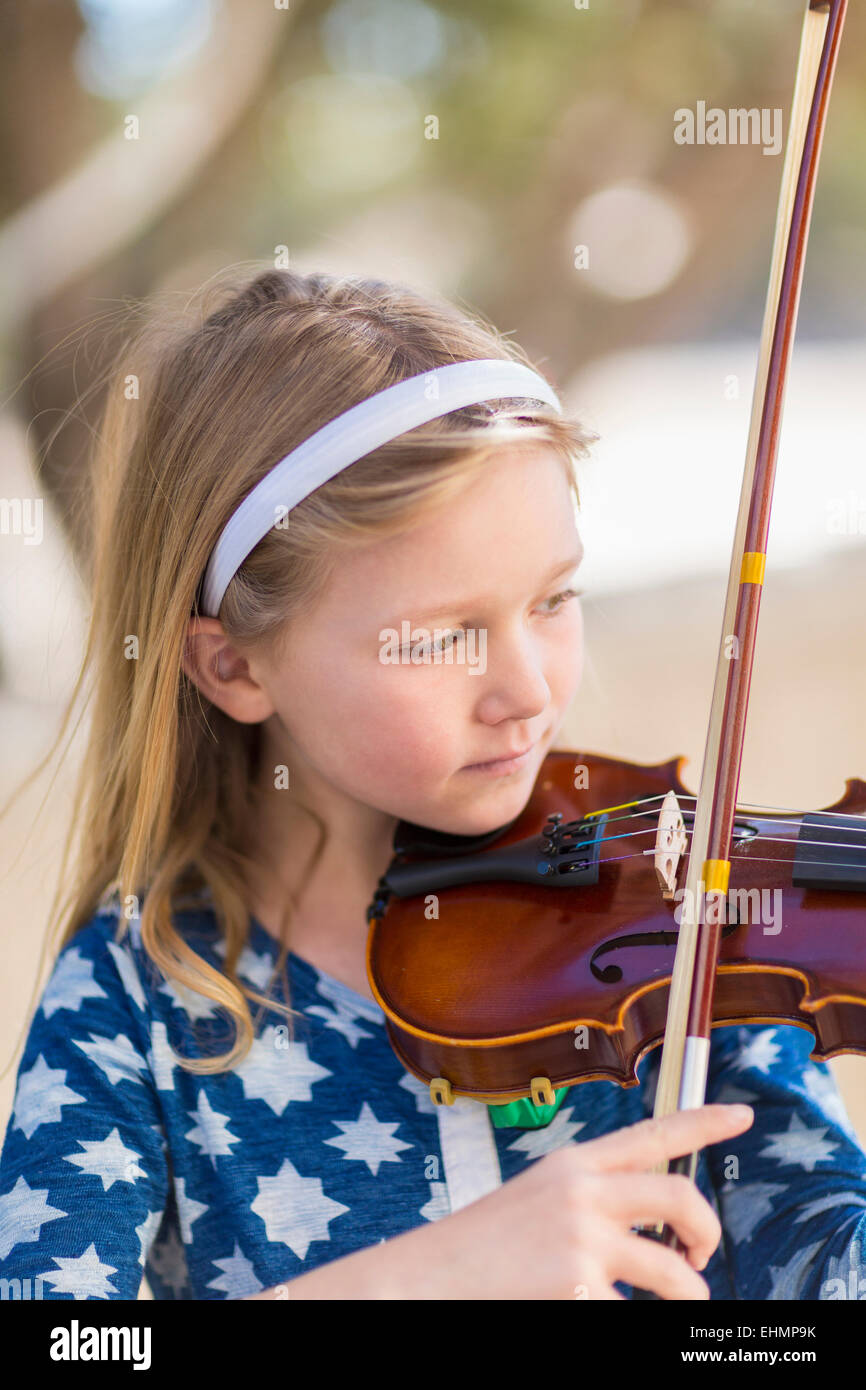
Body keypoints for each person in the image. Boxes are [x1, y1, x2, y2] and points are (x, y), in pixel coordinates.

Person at [1, 268, 864, 1302]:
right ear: (233, 665)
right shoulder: (136, 997)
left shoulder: (675, 931)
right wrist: (433, 1276)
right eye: (444, 636)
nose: (526, 689)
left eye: (552, 598)